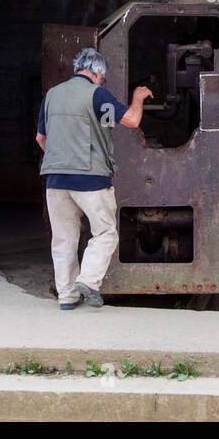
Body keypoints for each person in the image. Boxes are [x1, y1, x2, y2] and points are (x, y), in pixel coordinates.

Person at [36, 48, 152, 310]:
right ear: (98, 72)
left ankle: (66, 297)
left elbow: (41, 139)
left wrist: (62, 160)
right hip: (90, 179)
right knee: (105, 233)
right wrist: (138, 97)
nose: (103, 81)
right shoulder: (97, 94)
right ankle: (88, 280)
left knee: (64, 238)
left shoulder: (51, 95)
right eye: (104, 77)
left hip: (55, 180)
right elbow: (132, 120)